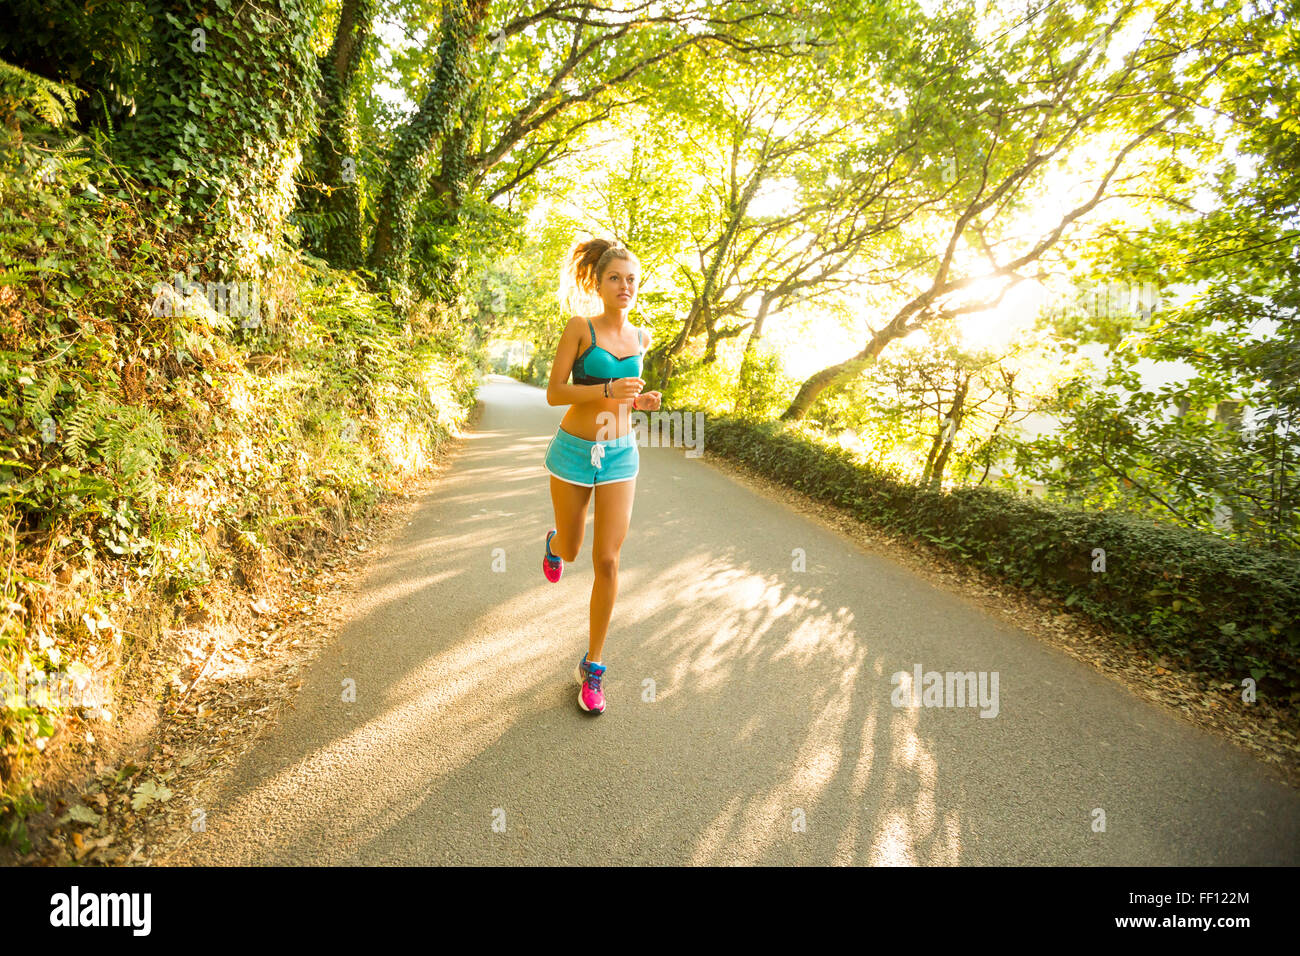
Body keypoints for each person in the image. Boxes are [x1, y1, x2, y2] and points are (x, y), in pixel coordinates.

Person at [541, 237, 662, 715]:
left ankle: (592, 668)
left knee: (607, 560)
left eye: (631, 279)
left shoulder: (641, 338)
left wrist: (641, 402)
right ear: (598, 282)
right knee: (572, 550)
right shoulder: (579, 328)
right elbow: (554, 393)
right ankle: (554, 544)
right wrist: (607, 387)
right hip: (573, 451)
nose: (624, 286)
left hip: (619, 454)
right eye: (615, 277)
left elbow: (627, 398)